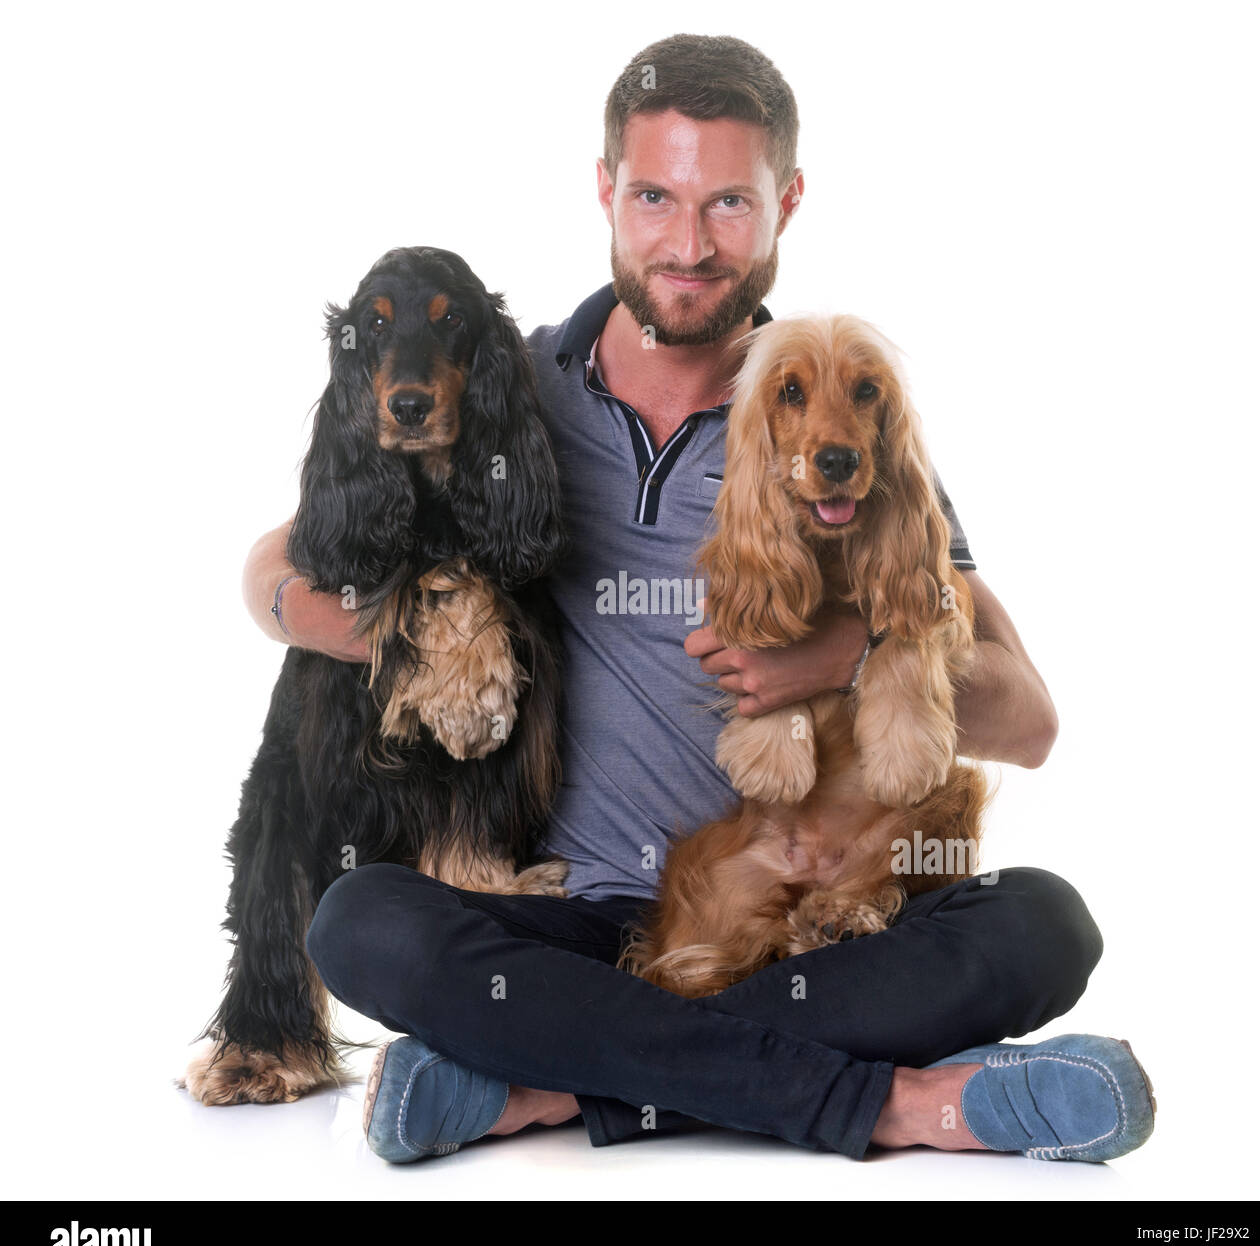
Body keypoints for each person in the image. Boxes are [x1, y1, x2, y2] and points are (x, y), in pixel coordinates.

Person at [248, 34, 1154, 1164]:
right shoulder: (511, 394)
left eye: (728, 201)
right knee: (365, 920)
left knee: (1042, 922)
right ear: (604, 192)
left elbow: (1028, 719)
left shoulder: (828, 409)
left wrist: (842, 659)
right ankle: (896, 1105)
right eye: (654, 197)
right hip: (576, 913)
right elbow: (278, 561)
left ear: (787, 201)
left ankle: (548, 1084)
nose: (688, 243)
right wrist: (371, 634)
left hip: (820, 914)